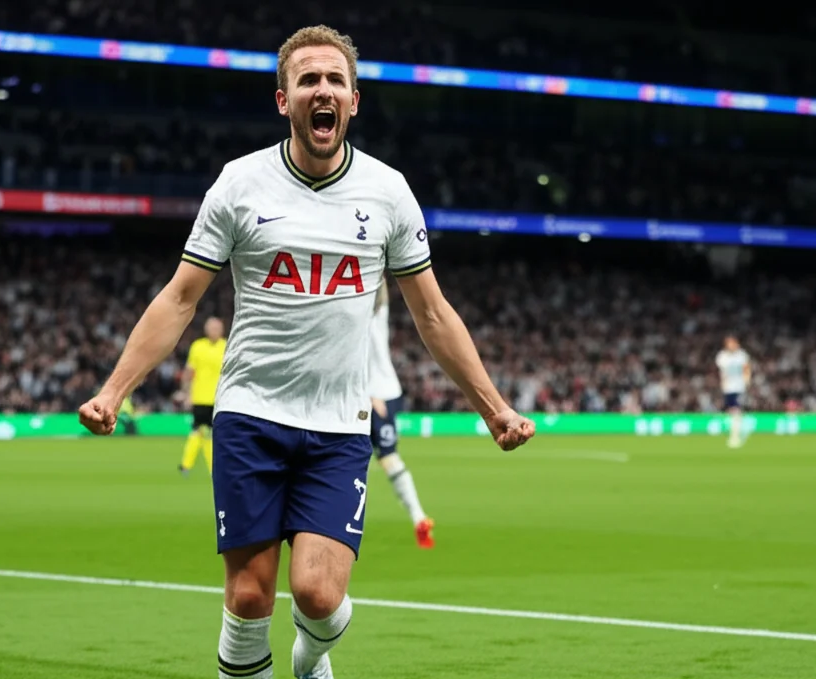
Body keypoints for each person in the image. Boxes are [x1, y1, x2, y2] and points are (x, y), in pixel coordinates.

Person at [78, 25, 535, 679]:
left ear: (354, 100)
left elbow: (432, 312)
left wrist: (493, 406)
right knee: (248, 597)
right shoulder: (239, 184)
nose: (322, 91)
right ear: (283, 100)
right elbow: (180, 298)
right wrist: (114, 390)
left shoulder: (387, 192)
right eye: (308, 80)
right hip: (250, 414)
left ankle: (309, 656)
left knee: (321, 597)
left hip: (339, 423)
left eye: (334, 80)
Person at [368, 276, 434, 548]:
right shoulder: (363, 315)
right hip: (371, 393)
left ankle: (419, 518)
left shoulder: (374, 313)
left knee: (386, 457)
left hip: (378, 393)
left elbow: (381, 292)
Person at [178, 316, 227, 476]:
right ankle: (187, 464)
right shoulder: (197, 346)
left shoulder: (227, 346)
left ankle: (209, 467)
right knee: (199, 430)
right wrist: (186, 393)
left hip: (220, 398)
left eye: (217, 328)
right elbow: (189, 372)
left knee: (213, 433)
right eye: (212, 328)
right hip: (200, 397)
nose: (214, 331)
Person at [716, 335, 751, 448]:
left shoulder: (742, 355)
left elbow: (746, 369)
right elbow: (721, 372)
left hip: (739, 387)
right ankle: (738, 430)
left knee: (736, 409)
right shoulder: (722, 356)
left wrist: (746, 381)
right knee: (731, 410)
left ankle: (735, 436)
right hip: (728, 388)